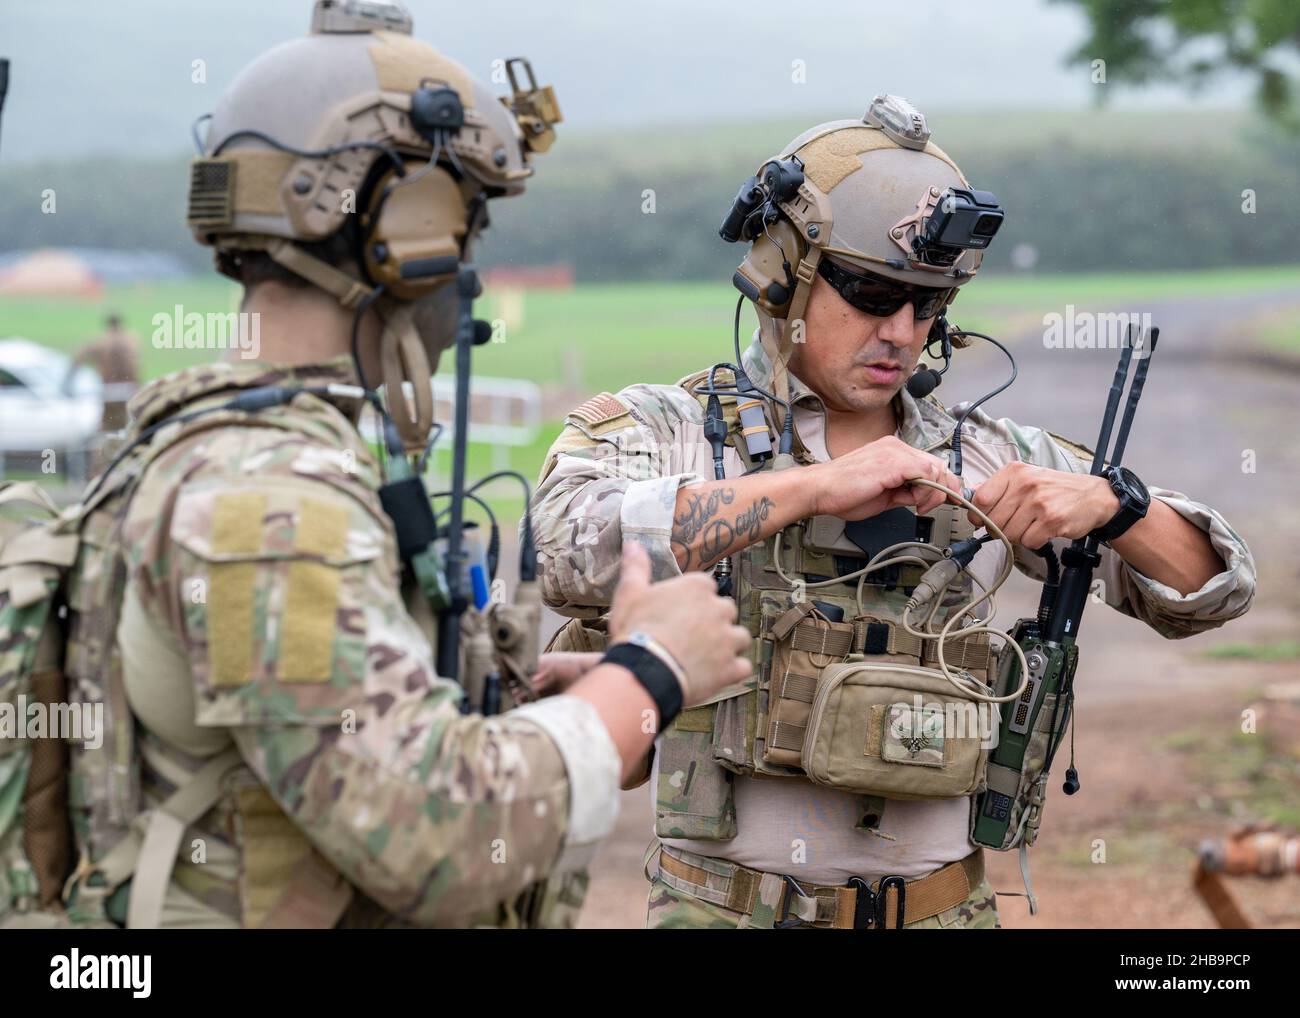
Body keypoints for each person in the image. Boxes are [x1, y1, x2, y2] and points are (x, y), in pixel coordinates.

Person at [16, 1, 750, 930]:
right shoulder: (272, 497)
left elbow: (339, 741)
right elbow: (432, 835)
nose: (469, 271)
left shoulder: (240, 449)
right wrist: (648, 671)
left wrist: (535, 714)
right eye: (468, 226)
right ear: (408, 226)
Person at [531, 97, 1257, 929]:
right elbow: (563, 548)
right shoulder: (671, 429)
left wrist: (1113, 504)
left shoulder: (984, 453)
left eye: (930, 304)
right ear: (784, 274)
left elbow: (1209, 590)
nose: (902, 333)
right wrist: (808, 489)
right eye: (874, 294)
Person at [67, 313, 140, 431]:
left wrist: (69, 380)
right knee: (127, 424)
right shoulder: (131, 341)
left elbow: (78, 358)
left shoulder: (101, 341)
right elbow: (135, 366)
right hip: (128, 387)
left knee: (108, 423)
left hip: (108, 388)